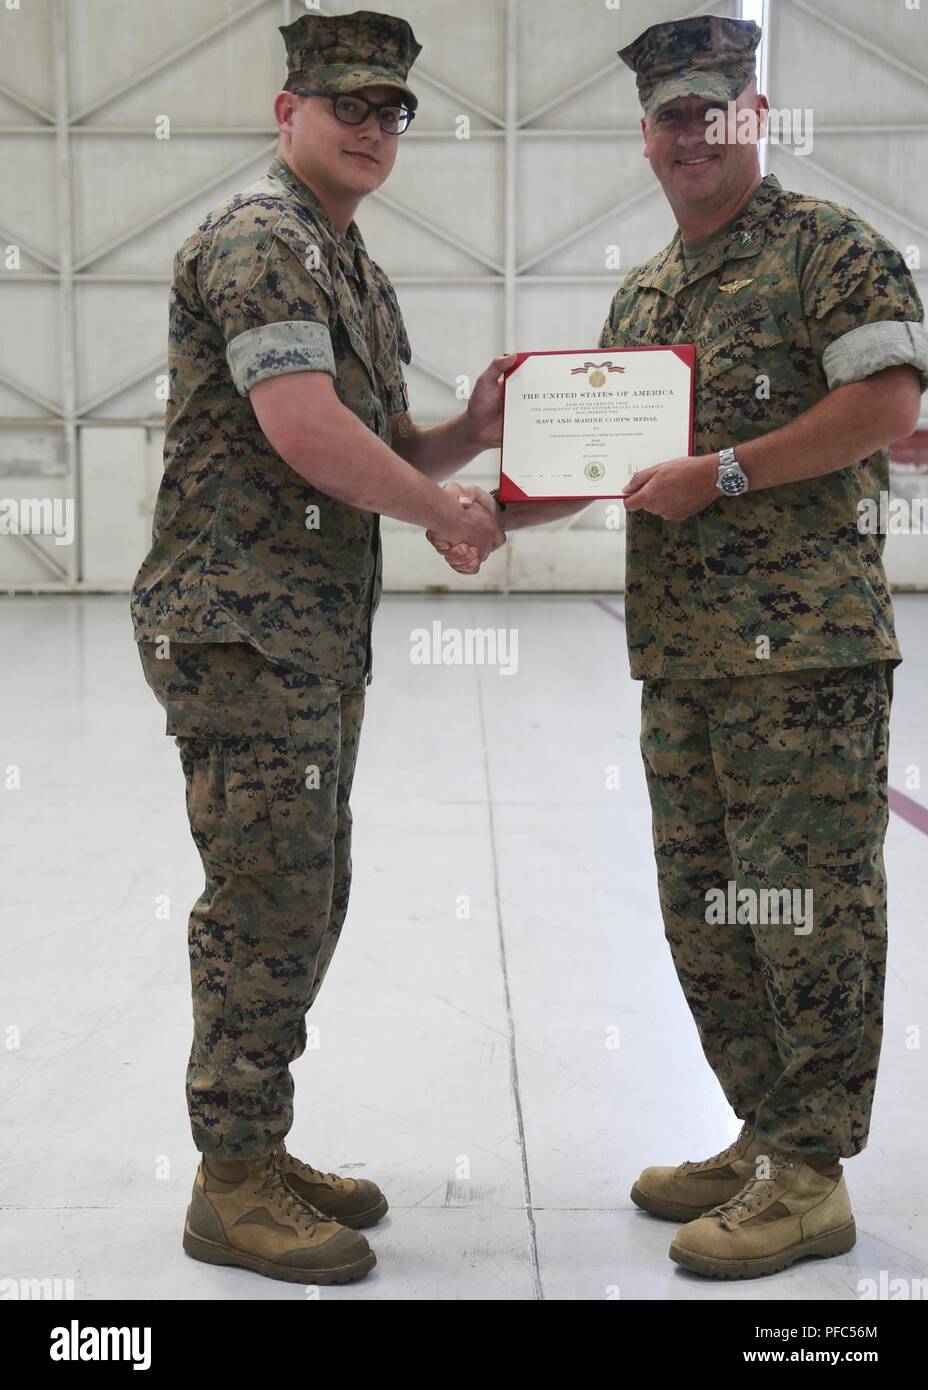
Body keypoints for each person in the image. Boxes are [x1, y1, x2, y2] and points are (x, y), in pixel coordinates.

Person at [428, 13, 928, 1280]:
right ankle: (764, 1135)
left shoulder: (831, 249)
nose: (689, 134)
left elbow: (885, 402)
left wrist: (732, 472)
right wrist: (488, 501)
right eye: (668, 115)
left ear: (752, 116)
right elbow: (598, 465)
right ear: (643, 131)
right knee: (707, 910)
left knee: (807, 909)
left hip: (804, 657)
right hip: (684, 658)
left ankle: (810, 1174)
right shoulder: (646, 293)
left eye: (712, 110)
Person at [130, 7, 507, 1286]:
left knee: (305, 891)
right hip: (238, 627)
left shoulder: (354, 267)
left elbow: (388, 445)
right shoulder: (260, 242)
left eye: (391, 108)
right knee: (267, 897)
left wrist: (473, 431)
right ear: (287, 109)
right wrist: (444, 511)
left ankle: (257, 1141)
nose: (370, 126)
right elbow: (301, 431)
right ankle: (229, 1182)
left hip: (305, 634)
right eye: (347, 101)